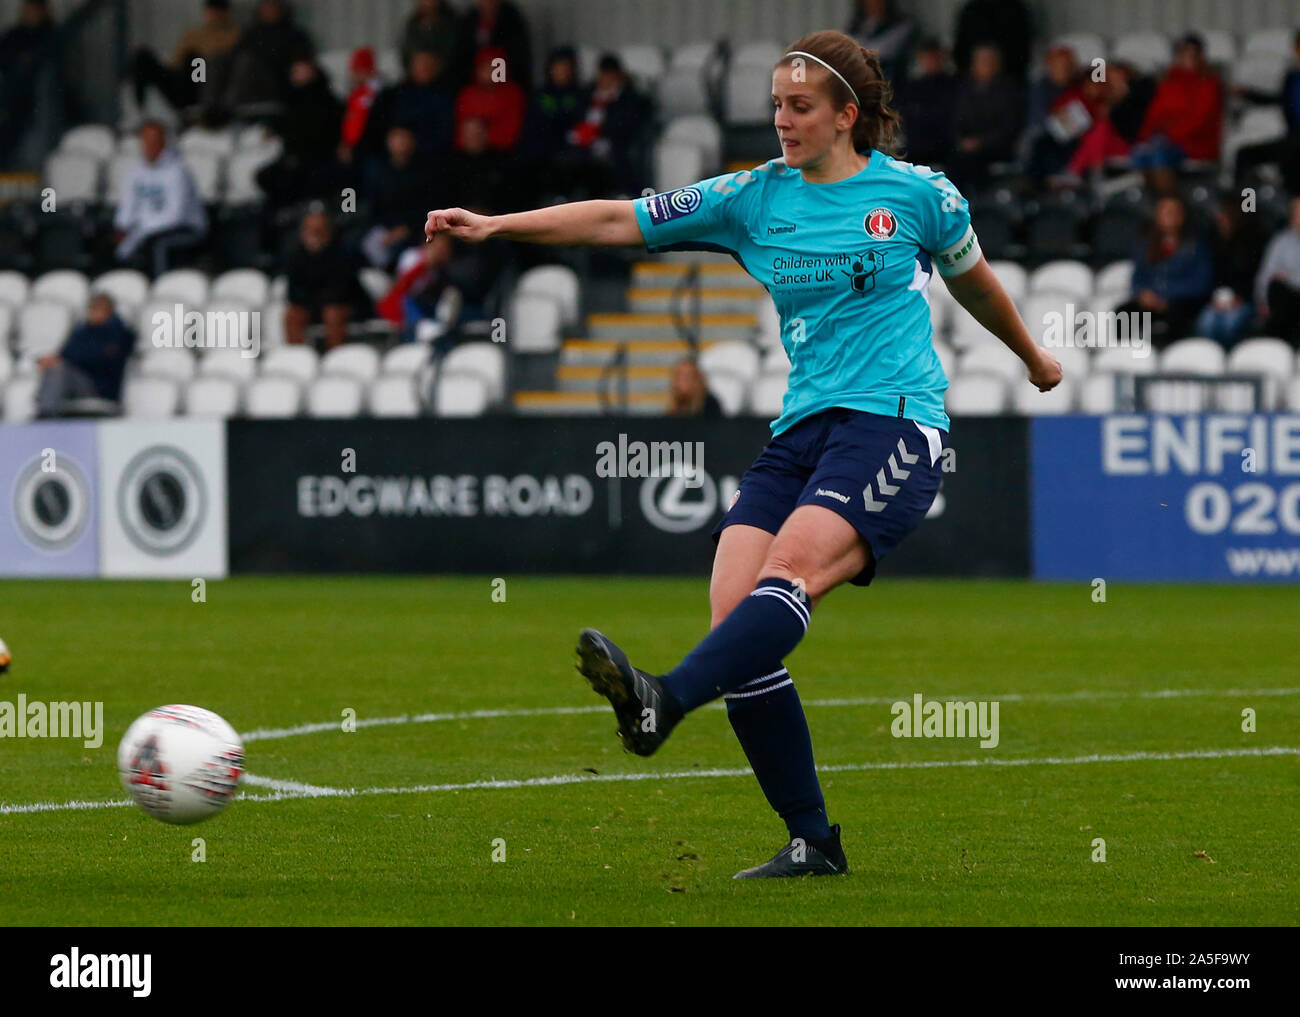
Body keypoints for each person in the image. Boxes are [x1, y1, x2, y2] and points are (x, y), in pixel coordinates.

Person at [425, 28, 1061, 878]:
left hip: (894, 423)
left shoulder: (918, 196)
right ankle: (813, 840)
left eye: (800, 108)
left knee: (782, 580)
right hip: (800, 431)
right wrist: (500, 224)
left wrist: (1031, 354)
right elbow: (622, 217)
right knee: (737, 617)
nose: (782, 121)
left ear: (848, 115)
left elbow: (972, 277)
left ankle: (665, 701)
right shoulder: (753, 197)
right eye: (776, 106)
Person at [1130, 33, 1222, 194]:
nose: (1186, 58)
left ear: (1200, 56)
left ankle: (1169, 204)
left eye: (1191, 54)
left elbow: (1200, 119)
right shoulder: (1169, 82)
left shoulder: (1209, 83)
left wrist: (1170, 135)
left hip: (1195, 142)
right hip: (1165, 139)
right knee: (1140, 154)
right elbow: (1154, 114)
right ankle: (1154, 204)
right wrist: (1149, 135)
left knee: (1159, 156)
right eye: (1183, 53)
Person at [114, 121, 208, 278]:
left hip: (185, 227)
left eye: (154, 141)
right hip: (145, 227)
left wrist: (143, 230)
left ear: (163, 142)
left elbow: (175, 215)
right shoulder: (136, 171)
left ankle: (159, 286)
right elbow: (129, 204)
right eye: (146, 141)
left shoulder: (178, 171)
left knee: (157, 244)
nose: (149, 146)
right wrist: (121, 227)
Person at [1116, 194, 1213, 348]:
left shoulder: (1196, 246)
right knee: (1123, 313)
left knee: (1175, 319)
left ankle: (1169, 356)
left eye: (1173, 212)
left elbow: (1200, 283)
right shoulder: (1147, 245)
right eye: (1164, 212)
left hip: (1180, 303)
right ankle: (1124, 353)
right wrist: (1143, 294)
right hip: (1151, 302)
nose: (1169, 217)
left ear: (1182, 216)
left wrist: (1165, 296)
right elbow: (1137, 277)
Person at [127, 0, 241, 120]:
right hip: (183, 83)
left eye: (216, 12)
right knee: (143, 56)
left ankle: (194, 109)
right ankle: (139, 111)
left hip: (204, 85)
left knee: (195, 59)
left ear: (225, 13)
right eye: (210, 11)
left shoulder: (234, 35)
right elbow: (176, 62)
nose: (212, 16)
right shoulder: (194, 34)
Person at [35, 294, 135, 417]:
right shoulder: (82, 331)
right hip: (78, 382)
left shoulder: (119, 333)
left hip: (99, 387)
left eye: (98, 309)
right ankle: (44, 409)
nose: (93, 313)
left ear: (109, 311)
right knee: (55, 367)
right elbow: (67, 353)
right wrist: (53, 359)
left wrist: (65, 359)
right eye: (92, 309)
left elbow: (101, 360)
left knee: (59, 369)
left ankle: (46, 413)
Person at [284, 206, 367, 349]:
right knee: (292, 315)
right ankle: (299, 358)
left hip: (348, 306)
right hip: (313, 306)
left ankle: (335, 358)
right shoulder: (296, 257)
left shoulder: (342, 254)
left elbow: (342, 292)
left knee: (332, 313)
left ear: (328, 232)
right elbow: (293, 293)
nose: (313, 236)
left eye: (318, 231)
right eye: (309, 231)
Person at [946, 43, 1025, 189]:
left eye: (989, 61)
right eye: (981, 61)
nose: (985, 65)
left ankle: (978, 204)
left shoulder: (1009, 90)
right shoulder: (965, 89)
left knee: (971, 162)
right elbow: (955, 120)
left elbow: (1009, 128)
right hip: (965, 147)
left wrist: (980, 142)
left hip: (996, 147)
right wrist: (961, 140)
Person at [1194, 195, 1267, 348]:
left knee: (1230, 323)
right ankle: (1211, 362)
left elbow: (1257, 278)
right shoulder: (1211, 243)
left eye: (1228, 214)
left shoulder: (1254, 244)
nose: (1222, 218)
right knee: (1206, 322)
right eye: (1221, 213)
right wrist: (1214, 299)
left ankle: (1231, 361)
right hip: (1216, 301)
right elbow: (1205, 278)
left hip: (1245, 301)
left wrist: (1241, 298)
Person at [223, 0, 314, 116]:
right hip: (250, 83)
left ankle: (226, 106)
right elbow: (234, 56)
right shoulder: (251, 33)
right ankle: (214, 105)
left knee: (246, 61)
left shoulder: (294, 34)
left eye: (273, 5)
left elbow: (303, 63)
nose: (269, 9)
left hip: (278, 83)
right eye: (266, 5)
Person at [0, 0, 56, 162]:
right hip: (12, 92)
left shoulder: (49, 35)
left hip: (32, 98)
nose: (28, 14)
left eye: (32, 11)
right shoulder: (14, 35)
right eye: (26, 10)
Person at [894, 37, 955, 168]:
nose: (930, 62)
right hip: (913, 144)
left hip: (942, 146)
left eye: (934, 58)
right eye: (926, 58)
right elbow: (903, 114)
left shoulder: (953, 85)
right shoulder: (912, 86)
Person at [455, 45, 527, 152]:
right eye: (485, 68)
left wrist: (484, 138)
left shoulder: (513, 94)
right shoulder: (467, 94)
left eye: (494, 69)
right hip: (468, 155)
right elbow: (460, 134)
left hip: (502, 153)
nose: (489, 73)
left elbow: (512, 132)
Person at [1254, 196, 1300, 346]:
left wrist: (1290, 278)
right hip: (1284, 303)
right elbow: (1266, 276)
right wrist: (1263, 301)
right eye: (1297, 212)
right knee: (1277, 290)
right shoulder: (1280, 241)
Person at [458, 0, 531, 88]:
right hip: (473, 84)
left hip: (505, 82)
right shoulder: (470, 19)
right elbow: (462, 56)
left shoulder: (512, 20)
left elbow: (519, 59)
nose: (487, 2)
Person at [953, 0, 1031, 81]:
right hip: (973, 81)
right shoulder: (970, 11)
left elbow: (1023, 49)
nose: (988, 64)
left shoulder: (1016, 11)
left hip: (1011, 78)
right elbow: (961, 48)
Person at [845, 0, 914, 87]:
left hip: (891, 85)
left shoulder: (902, 25)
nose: (874, 3)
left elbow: (880, 50)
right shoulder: (856, 25)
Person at [338, 47, 384, 170]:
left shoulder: (376, 93)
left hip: (369, 152)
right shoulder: (356, 93)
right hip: (354, 151)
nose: (352, 75)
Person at [400, 0, 464, 80]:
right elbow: (405, 53)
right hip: (415, 78)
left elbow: (454, 53)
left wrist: (431, 63)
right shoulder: (413, 24)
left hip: (445, 78)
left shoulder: (452, 22)